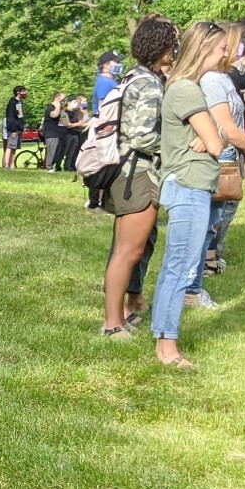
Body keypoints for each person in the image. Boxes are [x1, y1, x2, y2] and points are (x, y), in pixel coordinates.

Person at [151, 21, 233, 369]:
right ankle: (166, 348)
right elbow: (219, 141)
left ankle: (167, 340)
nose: (226, 53)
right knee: (179, 269)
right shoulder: (186, 89)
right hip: (187, 185)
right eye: (220, 48)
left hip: (194, 185)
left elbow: (215, 141)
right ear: (202, 49)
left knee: (181, 266)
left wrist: (212, 138)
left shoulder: (187, 88)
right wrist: (213, 137)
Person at [100, 18, 177, 340]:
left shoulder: (136, 77)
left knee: (126, 249)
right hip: (139, 175)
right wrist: (177, 146)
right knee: (128, 252)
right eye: (173, 43)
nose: (176, 49)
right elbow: (143, 137)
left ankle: (120, 315)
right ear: (159, 47)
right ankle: (111, 323)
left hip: (129, 173)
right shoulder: (148, 84)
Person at [186, 23, 245, 299]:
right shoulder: (212, 80)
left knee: (214, 218)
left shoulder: (223, 77)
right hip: (219, 153)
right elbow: (226, 127)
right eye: (229, 47)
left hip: (227, 150)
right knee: (208, 221)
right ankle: (195, 282)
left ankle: (201, 274)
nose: (234, 52)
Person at [84, 51, 124, 209]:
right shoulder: (104, 82)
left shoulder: (111, 81)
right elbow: (103, 106)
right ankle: (95, 201)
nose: (118, 65)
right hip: (105, 125)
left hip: (110, 125)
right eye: (115, 62)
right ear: (106, 65)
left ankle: (104, 200)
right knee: (101, 163)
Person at [2, 86, 27, 169]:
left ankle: (12, 165)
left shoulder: (20, 103)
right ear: (18, 92)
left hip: (18, 128)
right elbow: (10, 117)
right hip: (13, 128)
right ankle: (6, 165)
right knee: (10, 146)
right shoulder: (12, 102)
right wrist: (13, 130)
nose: (25, 93)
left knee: (14, 147)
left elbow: (19, 115)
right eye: (23, 91)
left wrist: (21, 126)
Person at [42, 92, 67, 170]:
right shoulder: (51, 108)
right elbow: (54, 115)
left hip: (59, 134)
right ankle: (49, 167)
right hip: (51, 134)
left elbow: (65, 121)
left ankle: (56, 166)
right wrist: (57, 106)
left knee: (58, 152)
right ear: (57, 98)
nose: (64, 102)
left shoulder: (60, 109)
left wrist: (62, 110)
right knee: (52, 152)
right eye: (63, 100)